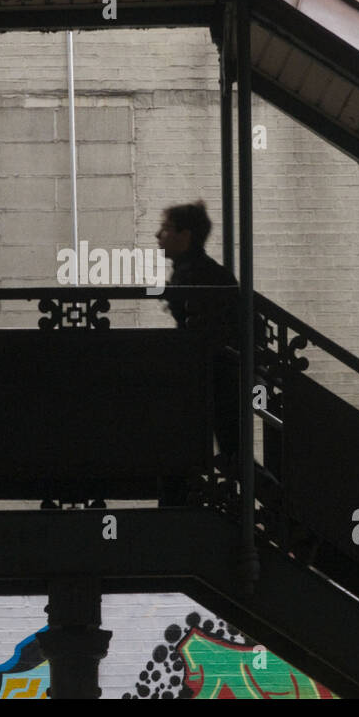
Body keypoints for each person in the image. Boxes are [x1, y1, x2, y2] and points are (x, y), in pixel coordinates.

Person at [156, 200, 240, 499]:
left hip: (216, 376)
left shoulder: (194, 277)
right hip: (223, 375)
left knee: (227, 449)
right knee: (232, 449)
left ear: (185, 235)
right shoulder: (202, 272)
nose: (158, 235)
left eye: (165, 229)